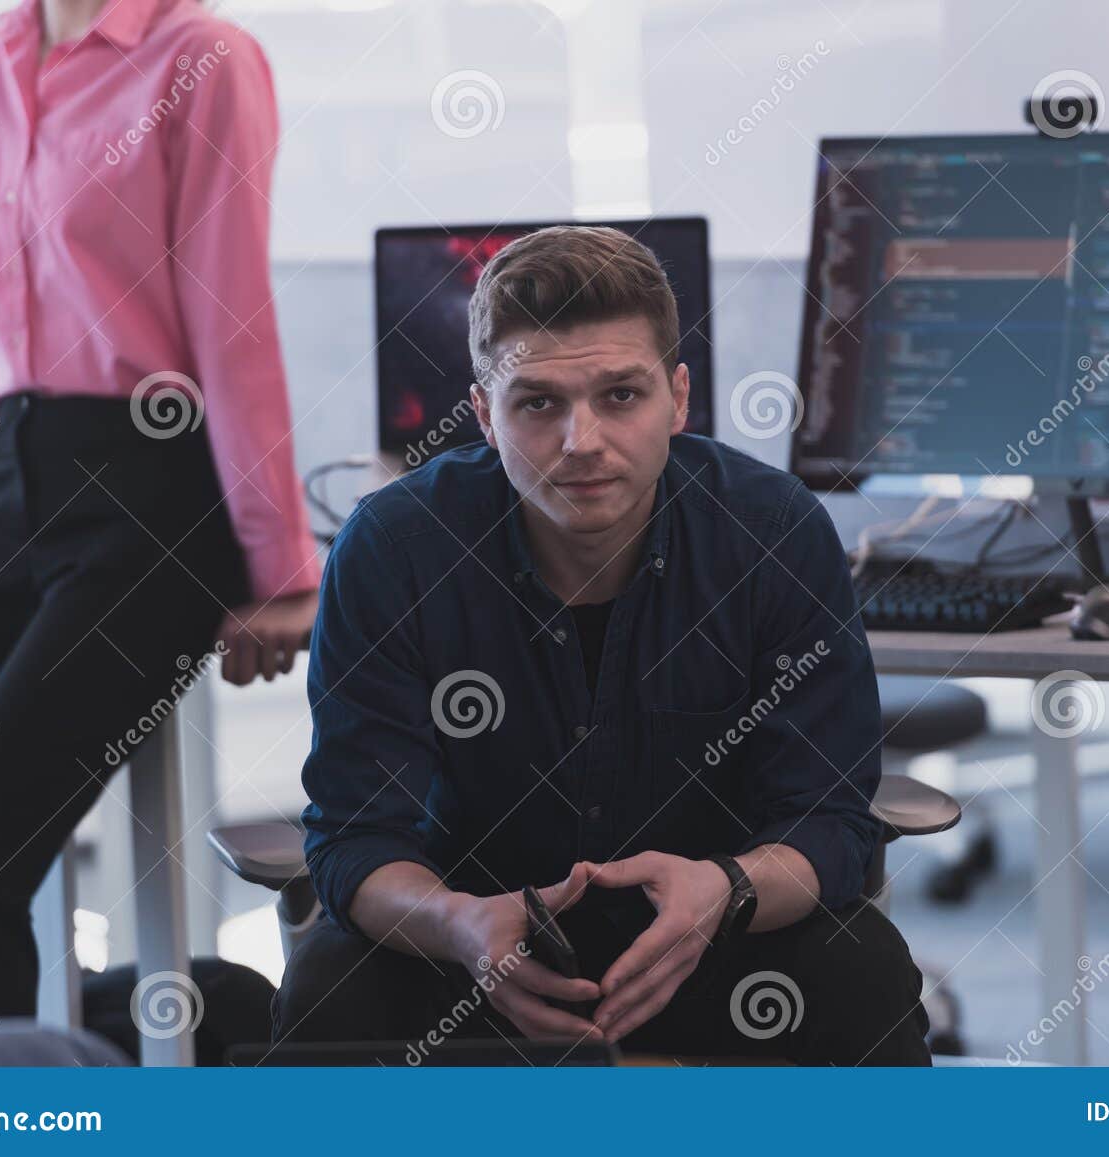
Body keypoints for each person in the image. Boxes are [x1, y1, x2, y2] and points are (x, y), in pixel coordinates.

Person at [274, 226, 930, 1064]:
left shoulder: (772, 533)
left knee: (861, 973)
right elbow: (354, 839)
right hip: (473, 959)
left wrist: (727, 890)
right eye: (538, 402)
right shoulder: (395, 549)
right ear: (484, 413)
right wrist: (459, 924)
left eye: (621, 395)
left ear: (679, 398)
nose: (581, 441)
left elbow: (830, 824)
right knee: (332, 988)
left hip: (717, 944)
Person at [0, 0, 320, 1042]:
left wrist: (278, 561)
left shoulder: (203, 58)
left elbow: (231, 314)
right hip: (11, 487)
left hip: (146, 491)